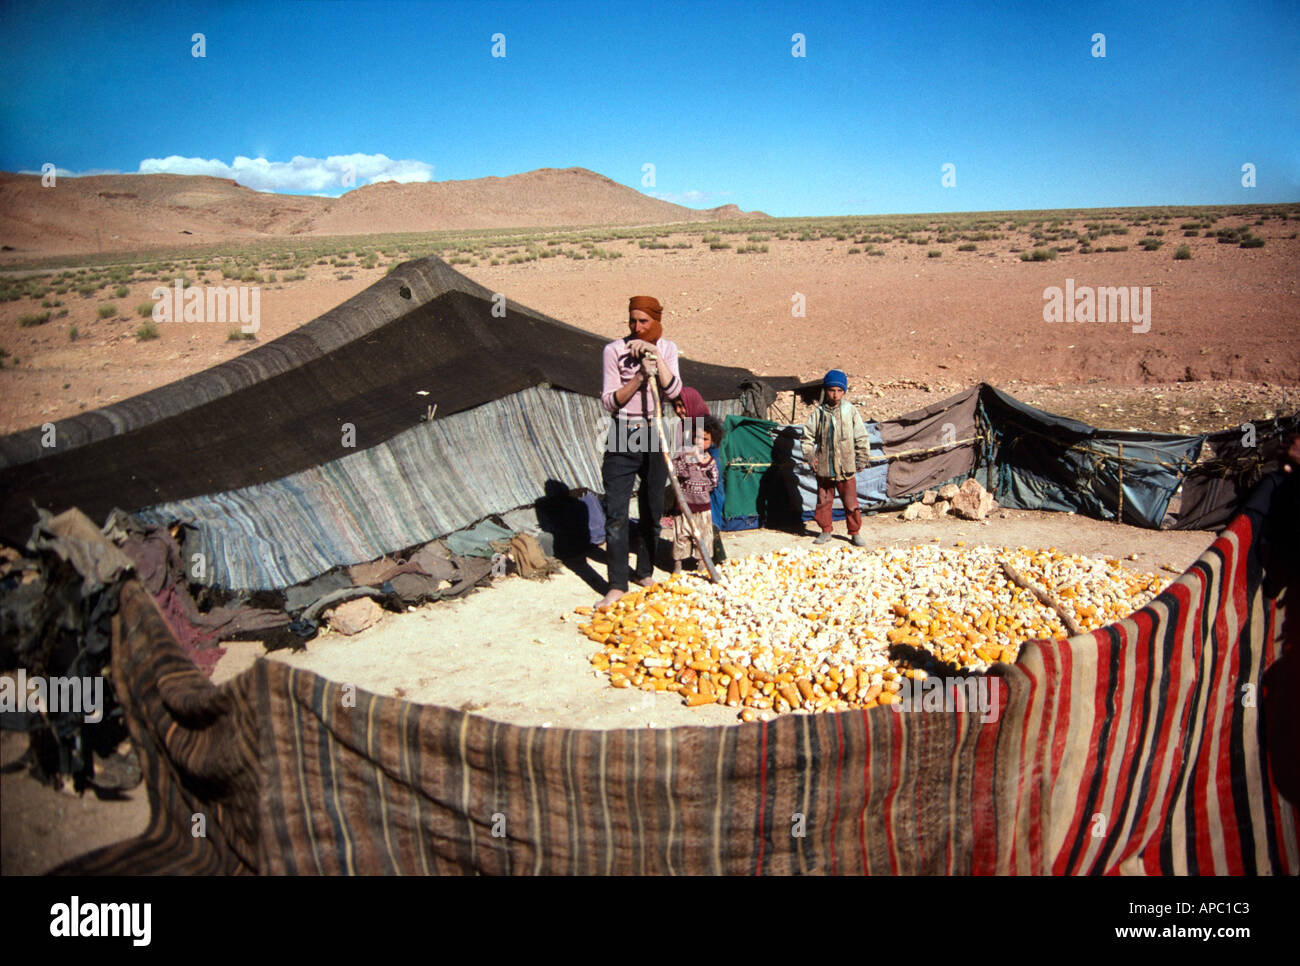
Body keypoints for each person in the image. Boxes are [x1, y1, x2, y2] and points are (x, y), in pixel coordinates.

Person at [596, 295, 682, 609]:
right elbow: (608, 401)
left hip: (655, 431)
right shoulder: (613, 351)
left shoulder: (668, 349)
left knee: (652, 506)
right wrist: (637, 377)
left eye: (643, 321)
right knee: (616, 513)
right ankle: (617, 583)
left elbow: (674, 392)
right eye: (632, 321)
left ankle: (644, 571)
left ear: (656, 321)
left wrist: (655, 358)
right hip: (622, 432)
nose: (637, 327)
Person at [800, 368, 871, 546]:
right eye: (832, 390)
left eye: (840, 391)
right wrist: (810, 455)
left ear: (844, 392)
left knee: (851, 502)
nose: (835, 395)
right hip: (824, 466)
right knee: (823, 501)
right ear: (826, 391)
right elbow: (807, 436)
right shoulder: (819, 413)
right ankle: (825, 531)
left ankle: (854, 532)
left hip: (846, 466)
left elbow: (861, 436)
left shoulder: (850, 411)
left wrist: (862, 457)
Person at [671, 416, 724, 573]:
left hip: (702, 505)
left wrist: (704, 487)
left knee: (703, 536)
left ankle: (702, 561)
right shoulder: (684, 454)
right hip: (684, 503)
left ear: (712, 442)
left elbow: (714, 481)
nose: (700, 441)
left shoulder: (711, 461)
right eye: (698, 437)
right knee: (681, 534)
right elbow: (676, 471)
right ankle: (678, 562)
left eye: (705, 439)